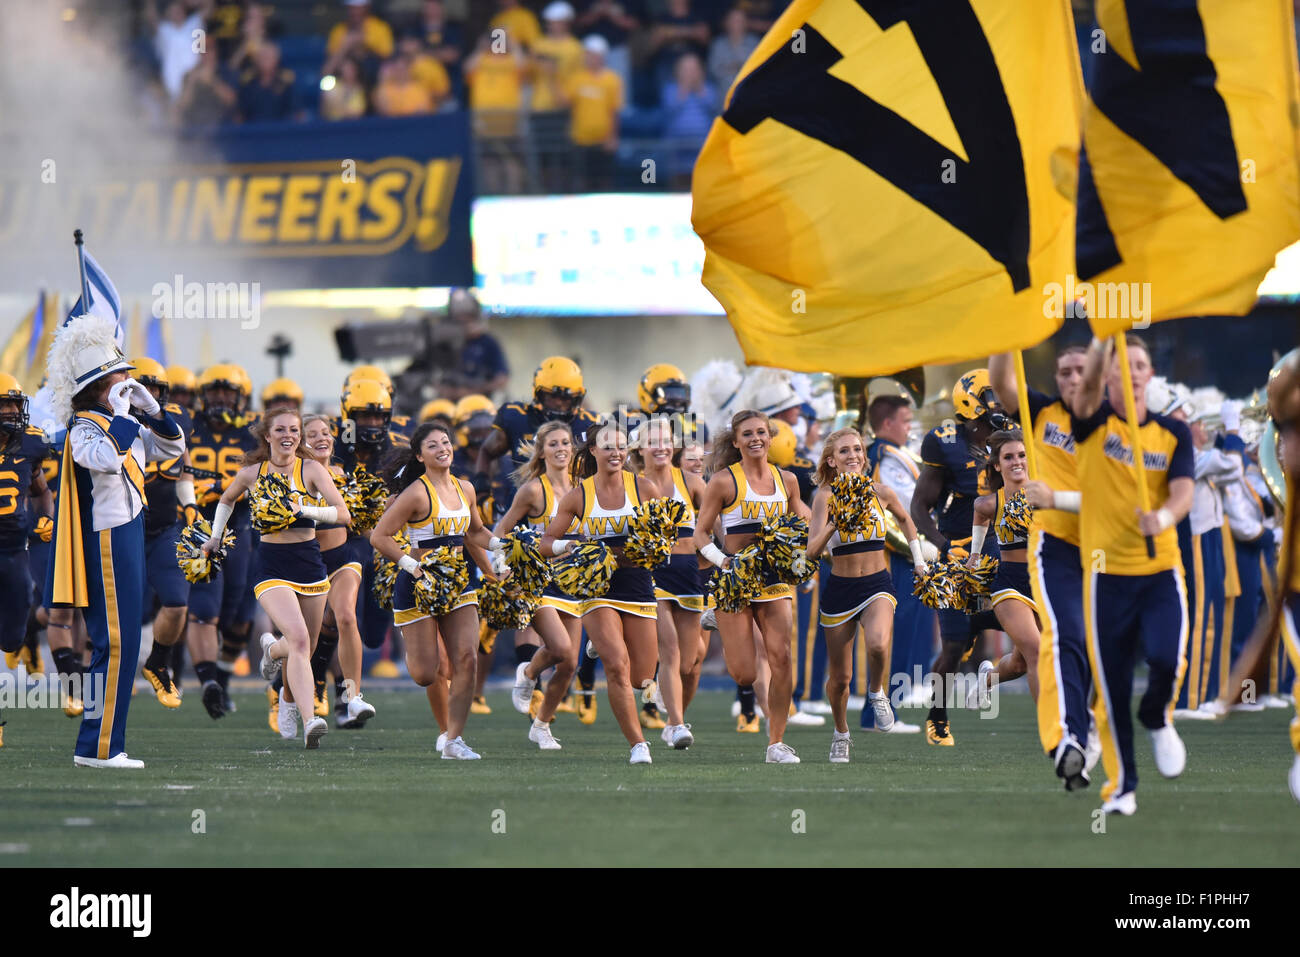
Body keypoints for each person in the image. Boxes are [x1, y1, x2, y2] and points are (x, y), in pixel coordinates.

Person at [47, 315, 187, 768]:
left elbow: (172, 450)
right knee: (116, 642)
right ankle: (100, 746)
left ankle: (104, 744)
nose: (128, 382)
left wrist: (153, 412)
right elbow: (106, 459)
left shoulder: (124, 421)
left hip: (129, 532)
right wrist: (126, 417)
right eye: (119, 378)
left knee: (122, 642)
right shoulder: (83, 426)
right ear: (96, 386)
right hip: (106, 538)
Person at [1070, 334, 1194, 816]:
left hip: (1159, 567)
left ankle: (1158, 715)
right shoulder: (1093, 424)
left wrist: (1162, 518)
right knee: (1113, 686)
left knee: (1166, 658)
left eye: (1141, 363)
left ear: (1150, 373)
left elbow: (1182, 490)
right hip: (1106, 575)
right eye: (1125, 364)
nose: (1135, 371)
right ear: (1110, 376)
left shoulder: (1172, 432)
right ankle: (1122, 788)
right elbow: (1083, 396)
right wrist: (1103, 339)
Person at [203, 408, 350, 748]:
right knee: (299, 639)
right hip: (271, 564)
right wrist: (215, 536)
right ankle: (310, 719)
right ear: (267, 436)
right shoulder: (252, 472)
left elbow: (342, 513)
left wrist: (305, 510)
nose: (289, 435)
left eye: (294, 430)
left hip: (310, 563)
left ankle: (276, 667)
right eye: (280, 429)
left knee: (304, 648)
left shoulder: (311, 469)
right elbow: (226, 499)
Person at [989, 345, 1098, 789]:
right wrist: (1004, 326)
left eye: (1081, 370)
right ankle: (1061, 735)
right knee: (1048, 647)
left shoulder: (1115, 422)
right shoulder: (1044, 414)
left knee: (1081, 651)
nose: (1073, 378)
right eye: (1065, 371)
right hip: (1036, 564)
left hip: (1102, 547)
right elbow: (1002, 382)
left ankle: (1085, 729)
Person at [372, 422, 504, 760]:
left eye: (445, 442)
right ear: (420, 455)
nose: (442, 448)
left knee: (467, 658)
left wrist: (502, 547)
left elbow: (474, 532)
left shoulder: (466, 488)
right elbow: (380, 537)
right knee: (425, 673)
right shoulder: (415, 492)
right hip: (418, 584)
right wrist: (410, 566)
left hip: (459, 581)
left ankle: (453, 740)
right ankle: (415, 647)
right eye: (432, 445)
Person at [693, 408, 812, 763]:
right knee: (745, 673)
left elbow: (805, 517)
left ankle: (776, 743)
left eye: (761, 432)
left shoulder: (787, 480)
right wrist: (723, 563)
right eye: (747, 434)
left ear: (770, 438)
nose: (756, 438)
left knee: (782, 657)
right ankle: (717, 613)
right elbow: (700, 533)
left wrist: (830, 527)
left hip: (774, 580)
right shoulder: (723, 481)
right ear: (736, 441)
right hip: (735, 582)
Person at [541, 422, 661, 764]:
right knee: (617, 666)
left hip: (637, 586)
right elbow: (546, 543)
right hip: (597, 590)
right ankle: (638, 744)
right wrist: (572, 545)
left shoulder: (645, 488)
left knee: (642, 677)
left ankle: (601, 644)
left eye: (621, 446)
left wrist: (658, 546)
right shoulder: (579, 495)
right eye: (607, 446)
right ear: (593, 451)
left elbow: (665, 533)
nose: (615, 453)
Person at [807, 427, 928, 763]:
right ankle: (841, 733)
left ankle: (877, 691)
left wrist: (919, 561)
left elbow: (906, 520)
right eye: (844, 451)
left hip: (877, 583)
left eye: (858, 449)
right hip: (841, 589)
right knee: (841, 678)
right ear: (831, 460)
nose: (853, 456)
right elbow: (811, 552)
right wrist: (834, 522)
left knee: (877, 644)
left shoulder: (880, 491)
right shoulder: (824, 497)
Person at [910, 369, 1005, 746]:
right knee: (951, 647)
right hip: (959, 551)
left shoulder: (1015, 436)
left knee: (1032, 628)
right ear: (970, 404)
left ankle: (990, 674)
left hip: (1001, 546)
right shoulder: (944, 442)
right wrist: (944, 546)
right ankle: (937, 718)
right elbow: (919, 505)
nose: (998, 407)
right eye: (989, 398)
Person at [497, 421, 581, 749]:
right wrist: (504, 566)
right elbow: (501, 532)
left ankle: (541, 726)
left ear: (573, 449)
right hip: (540, 582)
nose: (561, 448)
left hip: (576, 583)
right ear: (542, 451)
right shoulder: (533, 490)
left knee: (570, 663)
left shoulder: (584, 487)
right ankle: (529, 675)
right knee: (560, 649)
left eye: (565, 443)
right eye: (553, 444)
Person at [186, 364, 259, 719]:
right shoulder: (188, 427)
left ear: (241, 397)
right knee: (205, 609)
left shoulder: (254, 434)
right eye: (214, 392)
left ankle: (223, 680)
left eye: (228, 393)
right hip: (196, 525)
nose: (220, 399)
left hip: (240, 525)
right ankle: (206, 679)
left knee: (238, 614)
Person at [634, 414, 706, 748]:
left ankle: (670, 713)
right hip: (650, 575)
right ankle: (677, 724)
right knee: (671, 650)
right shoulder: (631, 483)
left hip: (688, 572)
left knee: (691, 663)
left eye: (665, 440)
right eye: (653, 441)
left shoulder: (690, 481)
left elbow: (714, 525)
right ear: (641, 448)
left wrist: (729, 560)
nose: (660, 447)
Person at [301, 414, 376, 728]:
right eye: (313, 434)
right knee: (305, 638)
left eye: (326, 433)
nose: (322, 439)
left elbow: (360, 518)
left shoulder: (346, 472)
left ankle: (352, 696)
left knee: (346, 615)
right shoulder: (293, 475)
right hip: (305, 563)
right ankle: (289, 694)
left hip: (343, 556)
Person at [865, 393, 934, 720]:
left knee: (896, 631)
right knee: (891, 632)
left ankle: (884, 709)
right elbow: (907, 506)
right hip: (892, 553)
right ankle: (879, 713)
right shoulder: (886, 457)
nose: (910, 427)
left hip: (897, 552)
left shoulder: (888, 454)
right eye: (905, 421)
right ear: (887, 423)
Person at [133, 358, 195, 710]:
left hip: (163, 528)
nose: (149, 396)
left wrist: (189, 505)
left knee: (177, 602)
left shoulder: (175, 420)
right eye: (143, 389)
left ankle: (158, 662)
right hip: (123, 528)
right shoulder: (114, 421)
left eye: (154, 390)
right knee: (117, 610)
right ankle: (100, 674)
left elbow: (182, 465)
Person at [967, 430, 1041, 704]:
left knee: (1021, 664)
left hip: (1044, 582)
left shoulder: (1046, 495)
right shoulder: (992, 502)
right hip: (1010, 584)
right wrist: (975, 553)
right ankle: (1054, 732)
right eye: (1008, 457)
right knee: (1037, 651)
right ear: (997, 464)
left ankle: (987, 679)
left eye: (1021, 455)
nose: (1016, 461)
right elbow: (979, 510)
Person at [0, 375, 54, 748]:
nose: (11, 411)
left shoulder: (30, 445)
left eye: (15, 404)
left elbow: (41, 491)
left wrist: (45, 516)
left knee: (13, 633)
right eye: (4, 404)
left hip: (15, 548)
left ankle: (24, 647)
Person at [562, 36, 623, 191]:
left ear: (602, 56)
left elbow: (614, 111)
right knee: (581, 181)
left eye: (594, 54)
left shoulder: (612, 80)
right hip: (580, 139)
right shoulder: (576, 78)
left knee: (603, 181)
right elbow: (565, 103)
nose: (591, 58)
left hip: (603, 140)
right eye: (588, 54)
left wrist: (613, 137)